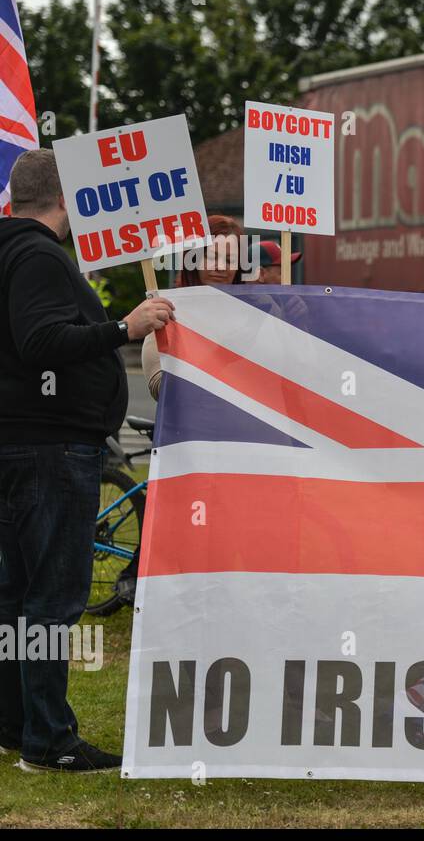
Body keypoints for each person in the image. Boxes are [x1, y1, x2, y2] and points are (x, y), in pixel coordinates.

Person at [0, 148, 174, 772]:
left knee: (18, 593)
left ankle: (19, 726)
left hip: (18, 442)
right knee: (51, 597)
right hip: (49, 448)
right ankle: (49, 740)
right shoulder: (39, 255)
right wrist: (122, 329)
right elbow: (41, 340)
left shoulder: (10, 249)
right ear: (66, 198)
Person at [142, 214, 245, 400]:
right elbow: (160, 388)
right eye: (211, 257)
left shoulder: (255, 313)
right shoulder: (167, 312)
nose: (221, 267)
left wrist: (294, 321)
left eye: (230, 260)